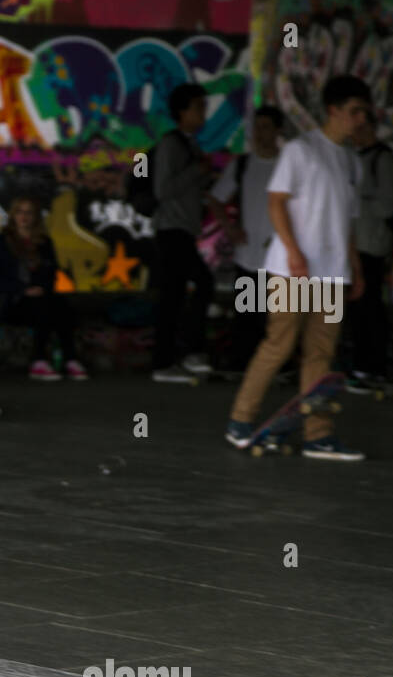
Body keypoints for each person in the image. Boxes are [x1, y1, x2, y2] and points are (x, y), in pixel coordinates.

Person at [224, 75, 370, 460]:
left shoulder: (353, 162)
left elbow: (348, 222)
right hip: (293, 271)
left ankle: (317, 435)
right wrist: (292, 251)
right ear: (334, 110)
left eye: (365, 113)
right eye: (355, 111)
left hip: (334, 273)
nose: (361, 120)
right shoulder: (301, 151)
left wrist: (355, 267)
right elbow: (276, 202)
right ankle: (240, 420)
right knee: (280, 343)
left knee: (321, 352)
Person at [207, 105, 284, 372]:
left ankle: (275, 367)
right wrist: (229, 229)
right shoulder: (242, 166)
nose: (260, 134)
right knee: (247, 315)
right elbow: (216, 198)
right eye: (257, 127)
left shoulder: (288, 165)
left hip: (280, 260)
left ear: (277, 131)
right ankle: (243, 364)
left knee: (276, 319)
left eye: (266, 127)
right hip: (248, 256)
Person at [150, 83, 215, 383]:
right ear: (182, 111)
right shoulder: (171, 144)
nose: (204, 113)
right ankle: (172, 358)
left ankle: (173, 358)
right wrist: (198, 171)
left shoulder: (190, 144)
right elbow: (163, 189)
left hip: (184, 229)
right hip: (171, 230)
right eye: (199, 107)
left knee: (177, 295)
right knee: (191, 288)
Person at [0, 194, 87, 381]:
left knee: (59, 304)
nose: (24, 217)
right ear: (13, 215)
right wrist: (22, 290)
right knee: (45, 304)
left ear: (35, 217)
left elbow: (52, 274)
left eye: (29, 213)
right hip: (12, 301)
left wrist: (41, 288)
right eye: (20, 212)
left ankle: (70, 359)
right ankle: (39, 360)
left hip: (42, 297)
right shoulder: (1, 242)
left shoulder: (44, 243)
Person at [344, 107, 393, 393]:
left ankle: (372, 367)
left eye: (361, 127)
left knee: (369, 306)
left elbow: (387, 205)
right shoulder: (355, 158)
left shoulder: (382, 159)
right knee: (358, 307)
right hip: (356, 243)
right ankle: (362, 364)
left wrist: (358, 200)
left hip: (372, 244)